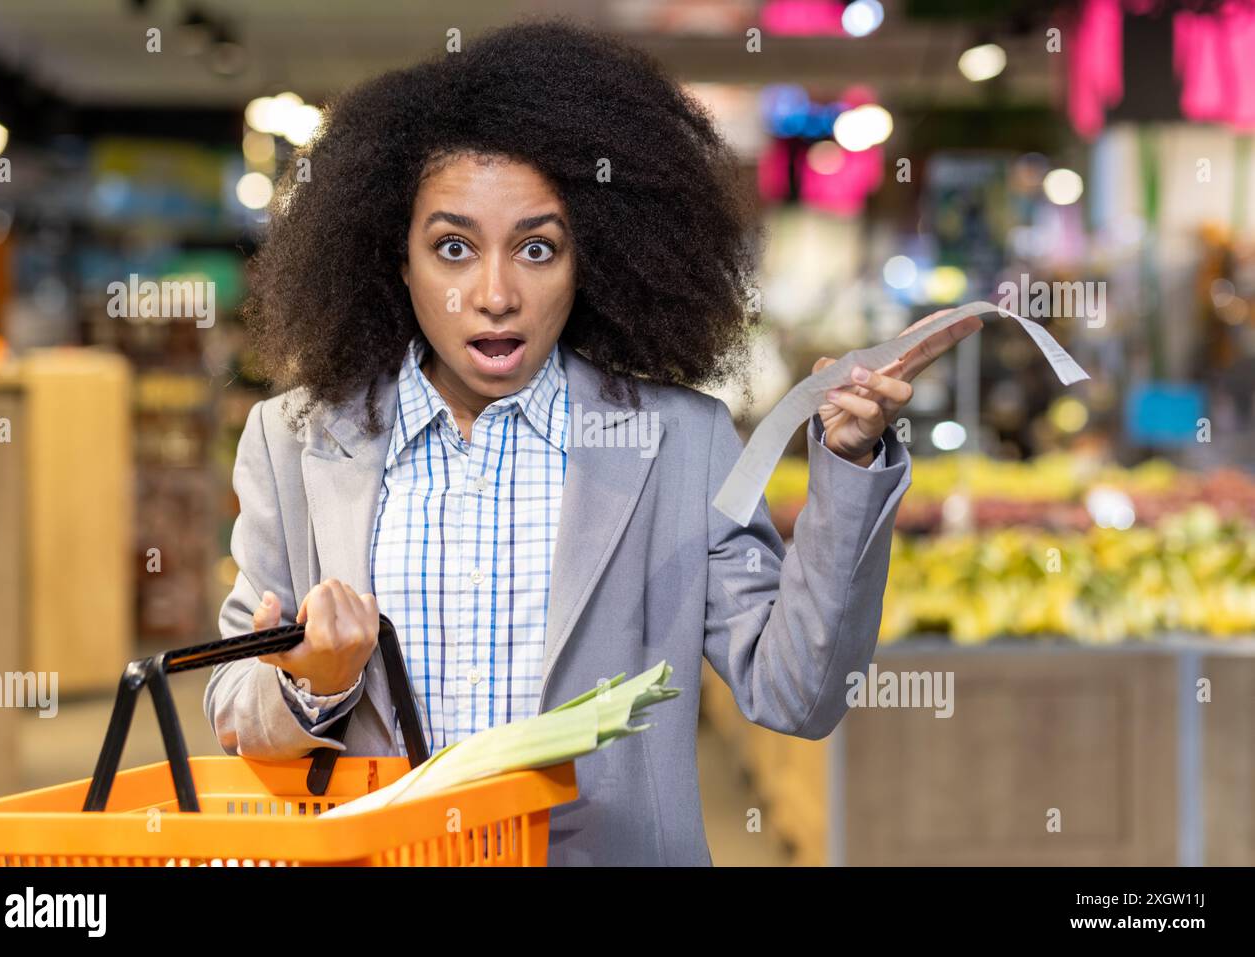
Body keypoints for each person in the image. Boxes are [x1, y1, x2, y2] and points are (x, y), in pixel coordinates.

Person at [204, 19, 980, 865]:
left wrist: (851, 466)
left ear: (593, 260)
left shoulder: (681, 445)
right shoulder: (295, 442)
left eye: (537, 248)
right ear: (395, 258)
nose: (495, 294)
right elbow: (234, 704)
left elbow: (796, 692)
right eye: (453, 248)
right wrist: (312, 681)